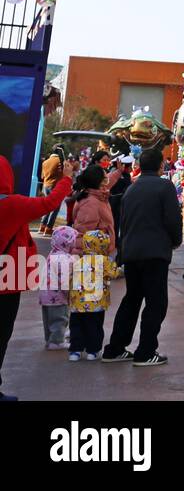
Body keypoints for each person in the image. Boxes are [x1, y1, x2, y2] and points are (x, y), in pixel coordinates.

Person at [101, 147, 183, 367]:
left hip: (132, 252)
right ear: (160, 166)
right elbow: (173, 220)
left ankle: (115, 347)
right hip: (155, 252)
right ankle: (146, 350)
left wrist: (123, 249)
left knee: (132, 299)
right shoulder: (165, 187)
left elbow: (124, 221)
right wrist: (175, 240)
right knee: (156, 302)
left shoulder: (132, 189)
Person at [0, 154, 73, 400]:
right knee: (1, 335)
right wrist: (67, 180)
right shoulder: (13, 204)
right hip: (7, 279)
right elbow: (49, 203)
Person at [67, 230, 122, 362]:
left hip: (77, 303)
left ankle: (75, 351)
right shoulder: (104, 261)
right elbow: (114, 273)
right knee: (94, 326)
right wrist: (120, 269)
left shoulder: (78, 260)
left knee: (76, 326)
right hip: (96, 303)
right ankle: (93, 350)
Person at [38, 226, 78, 350]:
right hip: (57, 296)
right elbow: (64, 280)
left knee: (48, 320)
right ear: (68, 242)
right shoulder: (64, 259)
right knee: (60, 319)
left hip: (46, 294)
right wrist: (70, 293)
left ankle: (49, 339)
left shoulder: (53, 253)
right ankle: (56, 341)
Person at [69, 164, 116, 257]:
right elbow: (82, 233)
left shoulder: (100, 197)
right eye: (105, 179)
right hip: (90, 258)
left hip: (98, 254)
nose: (107, 181)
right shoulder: (90, 203)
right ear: (98, 181)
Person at [38, 146, 66, 236]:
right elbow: (65, 172)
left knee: (47, 207)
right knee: (55, 208)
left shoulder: (45, 162)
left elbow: (42, 176)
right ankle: (48, 229)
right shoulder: (60, 161)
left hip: (46, 186)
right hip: (56, 186)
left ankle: (42, 227)